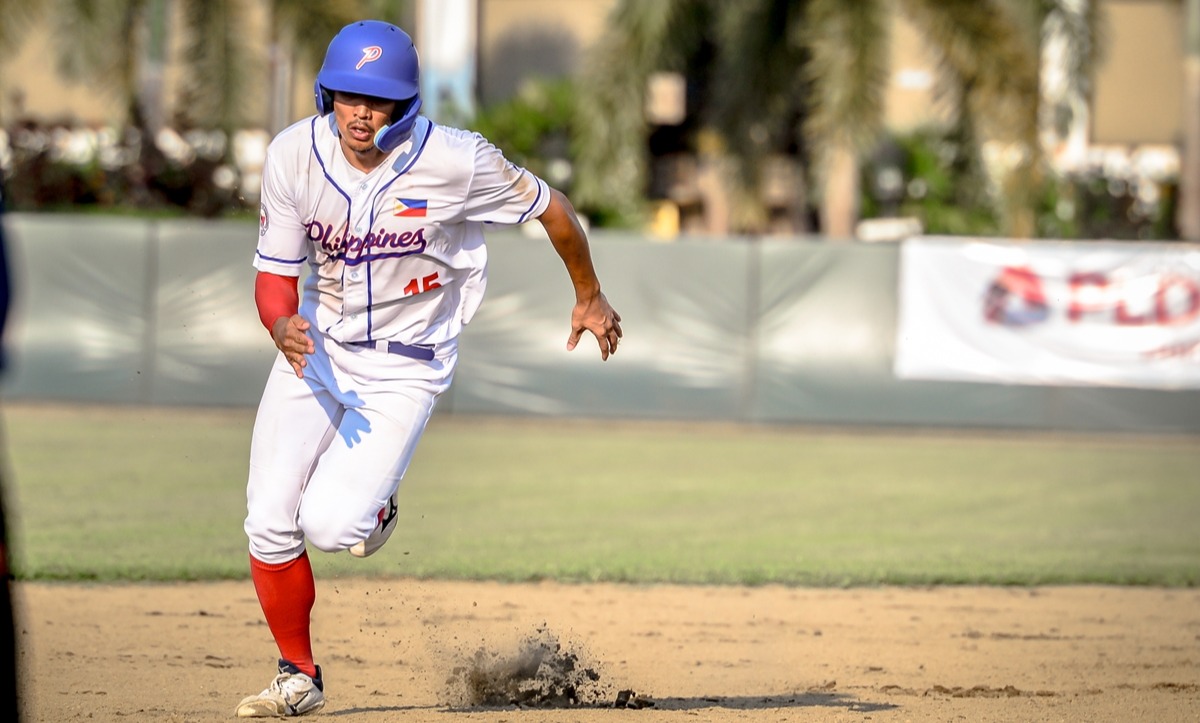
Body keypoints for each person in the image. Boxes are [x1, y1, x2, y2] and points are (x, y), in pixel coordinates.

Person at [235, 19, 622, 718]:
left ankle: (375, 506)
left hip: (406, 367)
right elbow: (272, 275)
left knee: (330, 525)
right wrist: (278, 322)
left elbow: (553, 210)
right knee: (267, 520)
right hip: (314, 349)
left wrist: (588, 293)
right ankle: (298, 673)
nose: (361, 112)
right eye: (349, 94)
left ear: (406, 104)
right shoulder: (294, 154)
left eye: (378, 99)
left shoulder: (456, 160)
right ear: (327, 93)